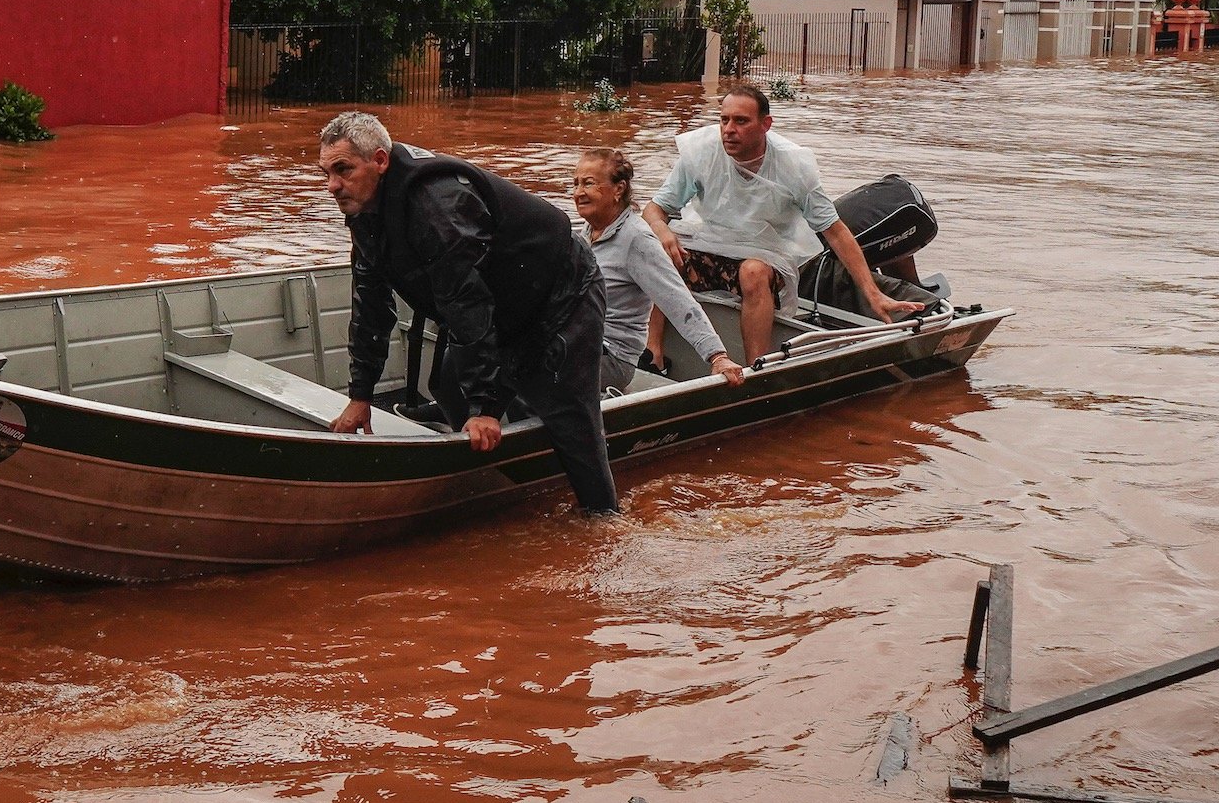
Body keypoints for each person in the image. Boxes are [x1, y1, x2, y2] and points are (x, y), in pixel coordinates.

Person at [317, 111, 618, 515]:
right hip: (504, 302)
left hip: (562, 294)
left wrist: (486, 408)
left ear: (380, 161)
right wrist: (361, 395)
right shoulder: (364, 210)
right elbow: (370, 305)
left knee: (567, 410)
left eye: (343, 170)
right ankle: (497, 487)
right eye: (326, 173)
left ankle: (602, 521)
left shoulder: (437, 205)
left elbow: (466, 302)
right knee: (446, 385)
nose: (333, 186)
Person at [641, 82, 919, 363]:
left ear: (765, 124)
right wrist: (662, 229)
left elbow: (835, 232)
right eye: (724, 120)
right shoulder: (701, 153)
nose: (729, 130)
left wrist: (873, 294)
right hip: (709, 243)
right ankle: (653, 354)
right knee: (658, 251)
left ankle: (756, 368)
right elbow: (654, 209)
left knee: (753, 272)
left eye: (741, 121)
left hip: (766, 256)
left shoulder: (793, 166)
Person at [570, 148, 748, 394]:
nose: (578, 192)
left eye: (588, 184)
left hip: (611, 358)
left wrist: (717, 356)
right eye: (576, 183)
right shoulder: (587, 234)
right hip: (581, 343)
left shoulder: (636, 239)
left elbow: (677, 300)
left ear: (619, 189)